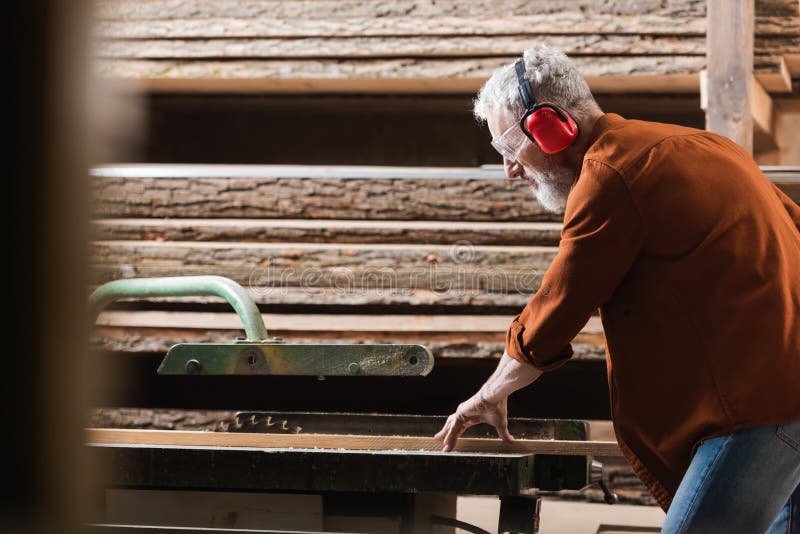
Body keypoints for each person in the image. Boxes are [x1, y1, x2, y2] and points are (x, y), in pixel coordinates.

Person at [434, 44, 800, 533]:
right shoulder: (708, 147)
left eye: (508, 148)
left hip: (762, 408)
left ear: (550, 128)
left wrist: (490, 393)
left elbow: (558, 305)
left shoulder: (611, 174)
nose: (510, 170)